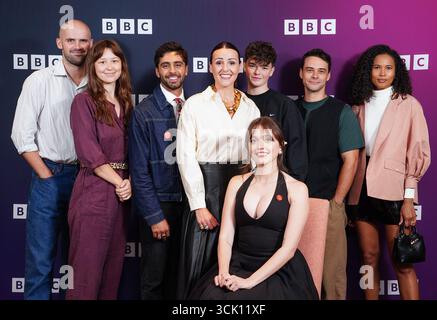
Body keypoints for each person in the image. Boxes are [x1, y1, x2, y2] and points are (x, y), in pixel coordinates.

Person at [189, 117, 318, 300]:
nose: (260, 145)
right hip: (238, 264)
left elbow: (288, 249)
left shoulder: (296, 189)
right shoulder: (236, 183)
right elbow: (226, 236)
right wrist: (224, 272)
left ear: (280, 147)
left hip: (277, 271)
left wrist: (249, 282)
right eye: (254, 139)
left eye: (268, 139)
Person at [10, 19, 92, 300]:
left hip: (87, 179)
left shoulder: (98, 82)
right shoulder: (38, 81)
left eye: (83, 40)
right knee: (41, 265)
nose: (78, 46)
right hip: (51, 175)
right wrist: (47, 176)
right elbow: (21, 137)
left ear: (91, 43)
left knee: (81, 266)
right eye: (71, 40)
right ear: (59, 43)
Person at [176, 41, 260, 299]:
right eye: (219, 62)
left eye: (232, 62)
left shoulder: (250, 107)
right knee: (199, 261)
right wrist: (198, 204)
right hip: (207, 189)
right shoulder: (195, 104)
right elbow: (186, 156)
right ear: (210, 66)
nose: (226, 68)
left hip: (241, 189)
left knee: (235, 260)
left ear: (241, 67)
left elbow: (257, 156)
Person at [348, 44, 431, 300]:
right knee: (368, 257)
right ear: (368, 70)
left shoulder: (409, 104)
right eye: (376, 67)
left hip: (393, 190)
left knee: (402, 261)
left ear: (397, 71)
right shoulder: (358, 105)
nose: (382, 73)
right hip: (361, 189)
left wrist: (408, 198)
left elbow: (418, 152)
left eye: (388, 68)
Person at [66, 39, 132, 300]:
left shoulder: (126, 105)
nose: (109, 66)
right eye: (101, 61)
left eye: (114, 60)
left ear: (122, 66)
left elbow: (135, 152)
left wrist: (130, 184)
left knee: (111, 277)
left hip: (122, 196)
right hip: (94, 192)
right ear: (92, 66)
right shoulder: (83, 102)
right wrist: (121, 182)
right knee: (85, 276)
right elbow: (89, 153)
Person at [295, 49, 364, 299]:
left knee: (331, 278)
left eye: (321, 71)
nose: (315, 75)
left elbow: (351, 160)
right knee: (294, 275)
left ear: (328, 76)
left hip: (326, 203)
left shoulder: (341, 112)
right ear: (301, 73)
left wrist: (337, 202)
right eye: (310, 70)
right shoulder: (289, 110)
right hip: (291, 205)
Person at [129, 41, 188, 300]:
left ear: (186, 69)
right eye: (165, 66)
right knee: (154, 280)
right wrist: (153, 215)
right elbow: (139, 172)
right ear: (157, 71)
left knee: (183, 279)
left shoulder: (196, 107)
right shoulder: (143, 112)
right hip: (160, 205)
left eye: (177, 65)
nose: (172, 71)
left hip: (189, 206)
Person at [244, 41, 307, 181]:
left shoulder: (285, 105)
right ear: (244, 66)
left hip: (275, 183)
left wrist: (291, 187)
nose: (257, 72)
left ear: (272, 70)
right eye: (252, 65)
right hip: (241, 180)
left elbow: (296, 152)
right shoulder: (237, 102)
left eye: (264, 67)